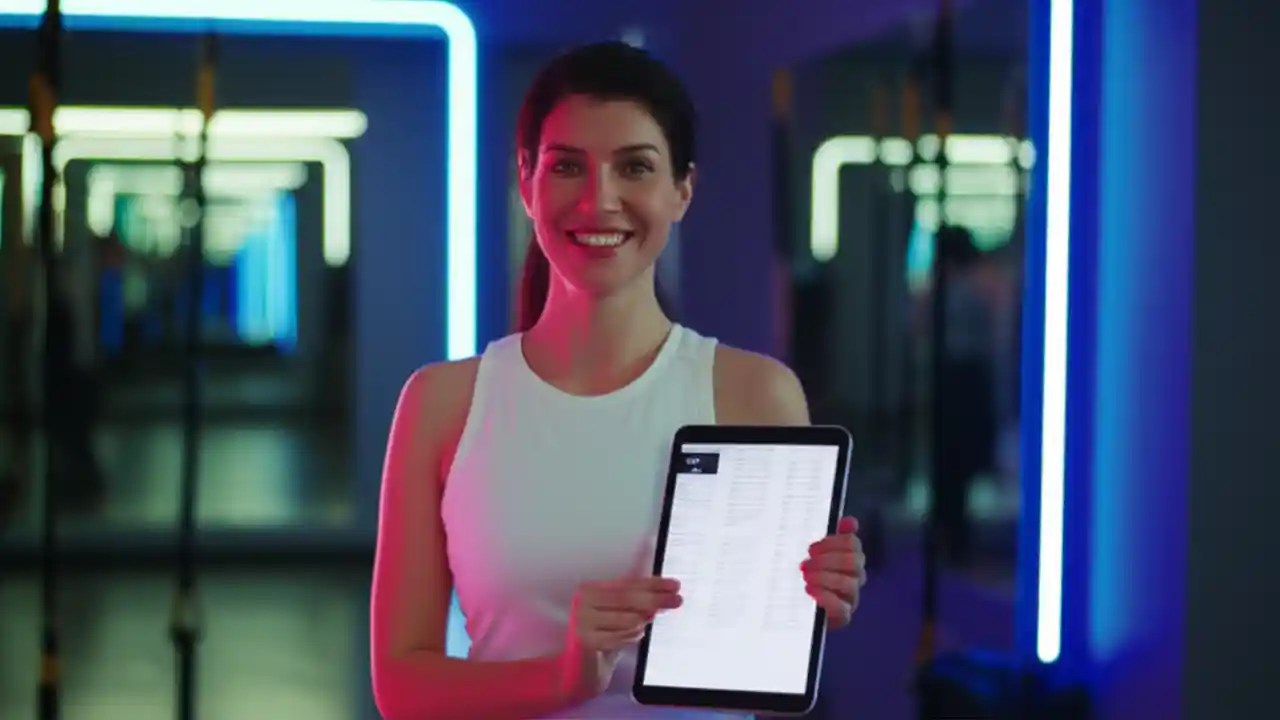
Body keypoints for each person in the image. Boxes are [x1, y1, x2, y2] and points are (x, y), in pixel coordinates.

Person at [370, 41, 868, 719]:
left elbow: (767, 685)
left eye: (635, 166)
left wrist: (810, 601)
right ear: (526, 182)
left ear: (682, 190)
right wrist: (563, 678)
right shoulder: (442, 403)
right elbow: (402, 690)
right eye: (567, 167)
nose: (599, 200)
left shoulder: (754, 393)